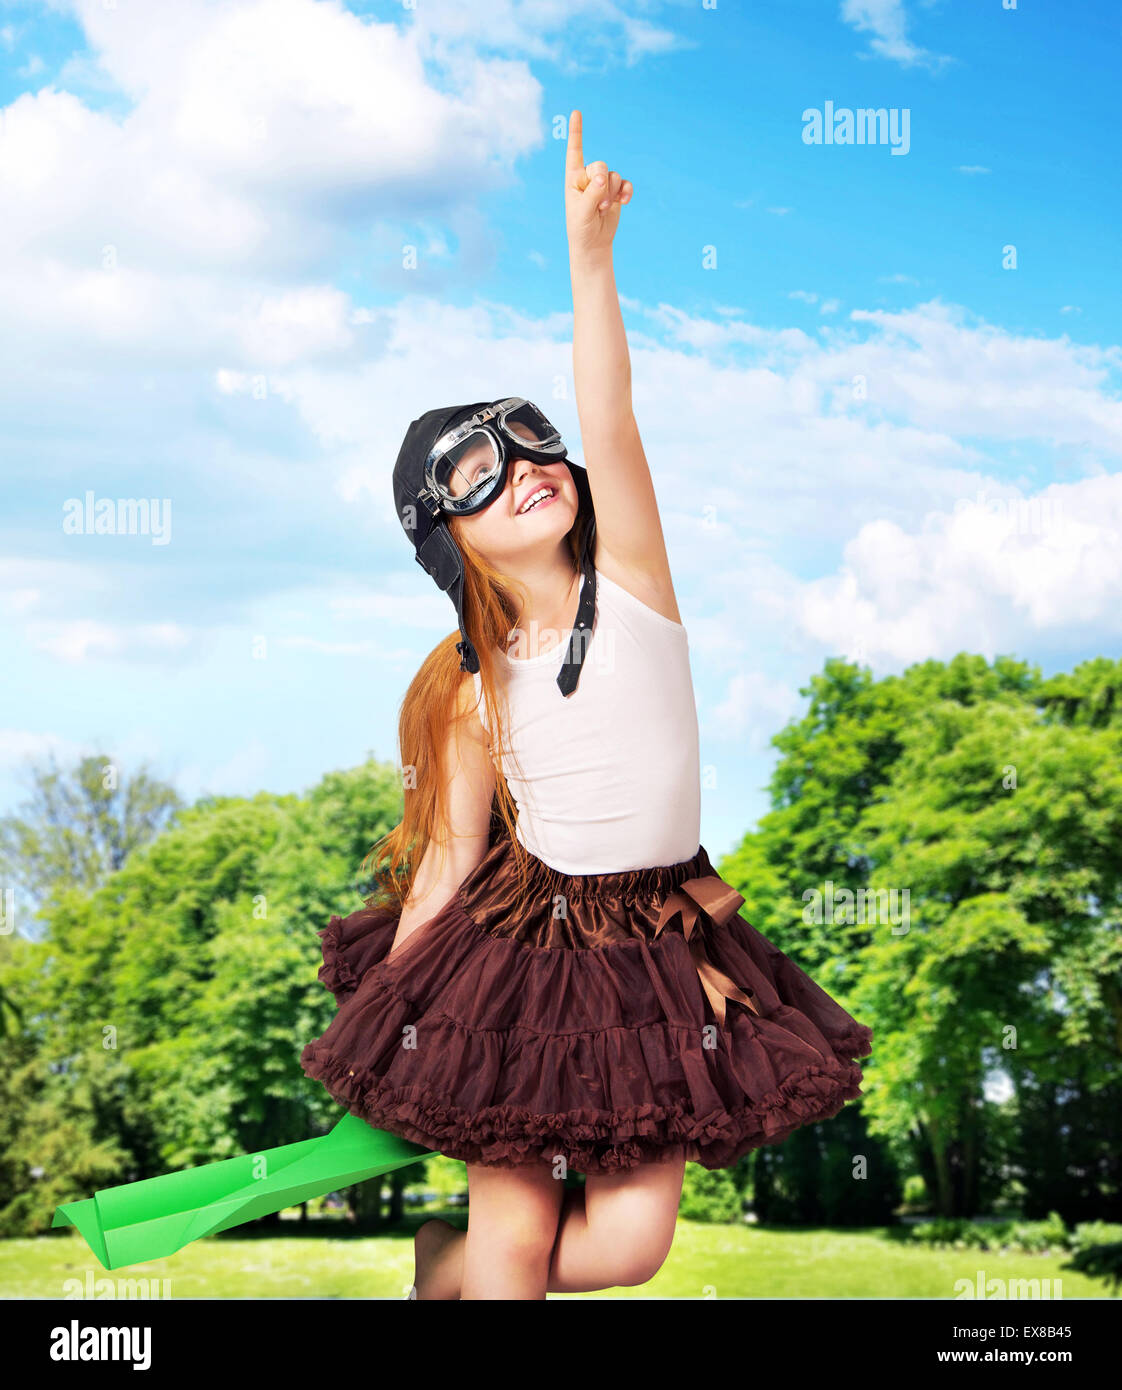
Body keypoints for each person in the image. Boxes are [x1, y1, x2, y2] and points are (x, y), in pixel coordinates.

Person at [298, 110, 873, 1301]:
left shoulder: (638, 584)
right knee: (514, 1244)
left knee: (627, 1250)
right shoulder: (471, 688)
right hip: (522, 955)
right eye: (478, 475)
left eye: (531, 445)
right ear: (447, 538)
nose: (524, 470)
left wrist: (589, 256)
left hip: (660, 947)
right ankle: (472, 1261)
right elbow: (447, 861)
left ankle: (438, 1265)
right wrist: (394, 1022)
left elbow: (612, 415)